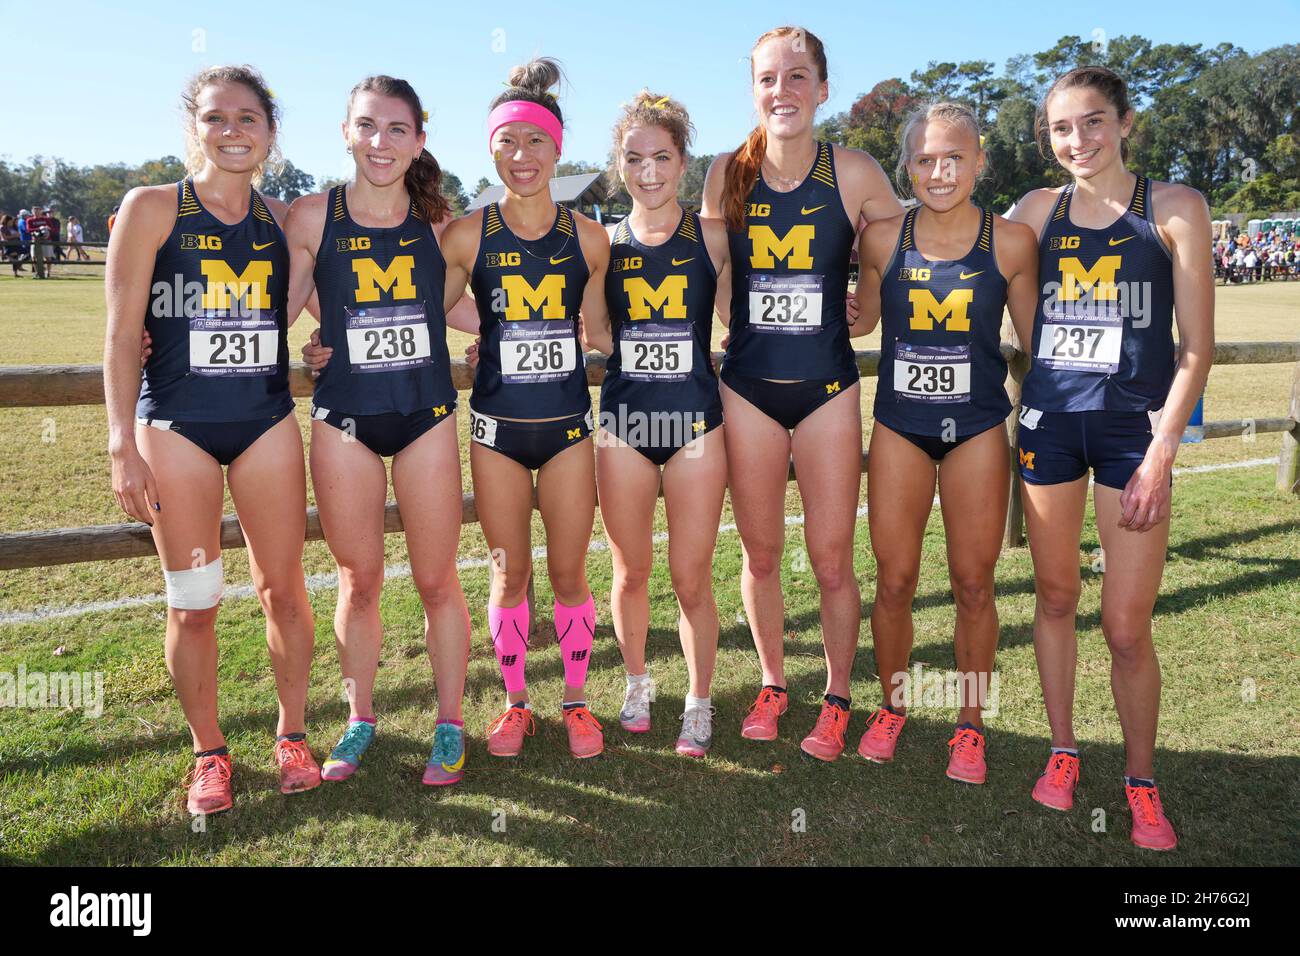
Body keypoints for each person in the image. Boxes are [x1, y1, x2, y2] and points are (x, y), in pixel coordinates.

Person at [313, 59, 608, 760]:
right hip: (495, 430)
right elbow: (424, 307)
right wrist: (325, 337)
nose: (521, 155)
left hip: (567, 430)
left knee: (568, 573)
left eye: (535, 141)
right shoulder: (463, 235)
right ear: (489, 149)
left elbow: (603, 331)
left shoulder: (590, 237)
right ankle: (512, 706)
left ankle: (574, 702)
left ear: (558, 147)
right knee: (507, 574)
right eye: (507, 142)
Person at [104, 65, 320, 815]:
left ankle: (292, 734)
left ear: (270, 131)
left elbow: (325, 306)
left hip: (264, 423)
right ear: (193, 126)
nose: (232, 131)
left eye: (248, 119)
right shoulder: (153, 208)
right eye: (216, 118)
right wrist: (119, 443)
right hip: (175, 428)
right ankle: (209, 752)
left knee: (283, 591)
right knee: (194, 603)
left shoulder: (285, 220)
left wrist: (321, 348)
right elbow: (121, 332)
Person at [1010, 66, 1214, 850]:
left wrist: (1165, 447)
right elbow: (964, 258)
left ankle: (1140, 777)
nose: (1077, 141)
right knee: (1056, 599)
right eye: (1061, 128)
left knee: (1126, 628)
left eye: (1093, 123)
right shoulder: (1033, 211)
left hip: (1136, 435)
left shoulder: (1176, 207)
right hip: (1052, 427)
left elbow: (1197, 347)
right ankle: (1062, 751)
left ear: (1125, 121)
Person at [699, 25, 903, 761]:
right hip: (748, 387)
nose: (780, 91)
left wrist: (863, 303)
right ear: (752, 90)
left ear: (822, 87)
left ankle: (839, 694)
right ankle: (774, 681)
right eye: (766, 79)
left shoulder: (854, 172)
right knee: (758, 554)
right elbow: (716, 280)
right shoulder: (726, 172)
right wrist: (746, 326)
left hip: (825, 388)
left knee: (831, 557)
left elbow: (892, 257)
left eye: (795, 77)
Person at [286, 75, 478, 787]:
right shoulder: (311, 217)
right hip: (344, 421)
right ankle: (361, 717)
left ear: (419, 140)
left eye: (397, 129)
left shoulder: (441, 228)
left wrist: (535, 332)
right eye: (367, 126)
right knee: (359, 579)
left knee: (435, 579)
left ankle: (449, 723)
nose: (381, 142)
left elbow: (461, 311)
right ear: (345, 131)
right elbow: (280, 307)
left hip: (425, 416)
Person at [853, 102, 1038, 782]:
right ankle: (893, 705)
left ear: (980, 160)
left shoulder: (1012, 242)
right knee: (896, 581)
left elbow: (1040, 350)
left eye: (954, 157)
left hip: (979, 427)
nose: (939, 171)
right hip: (901, 424)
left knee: (972, 584)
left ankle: (969, 725)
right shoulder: (880, 240)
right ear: (907, 167)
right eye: (926, 159)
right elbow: (858, 318)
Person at [583, 91, 730, 756]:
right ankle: (638, 682)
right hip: (623, 424)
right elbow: (599, 332)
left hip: (697, 423)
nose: (648, 171)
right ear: (619, 166)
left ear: (682, 162)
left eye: (661, 157)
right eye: (634, 159)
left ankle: (699, 703)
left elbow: (749, 308)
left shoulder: (714, 237)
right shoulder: (602, 245)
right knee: (630, 571)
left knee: (692, 575)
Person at [26, 205, 55, 278]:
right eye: (35, 211)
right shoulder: (30, 220)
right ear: (32, 212)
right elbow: (28, 230)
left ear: (41, 211)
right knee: (34, 257)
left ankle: (48, 272)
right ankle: (37, 273)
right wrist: (39, 228)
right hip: (35, 241)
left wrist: (47, 229)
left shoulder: (46, 219)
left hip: (46, 240)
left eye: (38, 211)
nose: (36, 212)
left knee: (48, 257)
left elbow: (52, 229)